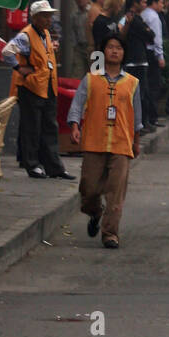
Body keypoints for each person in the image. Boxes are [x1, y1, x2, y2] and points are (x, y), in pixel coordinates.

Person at [67, 34, 142, 248]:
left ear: (124, 53)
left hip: (121, 143)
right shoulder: (91, 78)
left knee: (115, 193)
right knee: (88, 189)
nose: (115, 51)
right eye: (110, 47)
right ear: (103, 51)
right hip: (94, 141)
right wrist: (74, 126)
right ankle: (94, 212)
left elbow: (137, 116)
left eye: (119, 48)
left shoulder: (132, 83)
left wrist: (136, 142)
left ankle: (110, 233)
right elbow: (77, 104)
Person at [2, 0, 76, 180]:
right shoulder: (26, 35)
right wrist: (20, 69)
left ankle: (54, 167)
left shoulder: (46, 34)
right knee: (32, 127)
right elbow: (7, 51)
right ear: (35, 17)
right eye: (44, 15)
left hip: (47, 86)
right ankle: (32, 164)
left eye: (49, 15)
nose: (49, 19)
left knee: (50, 126)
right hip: (31, 86)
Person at [118, 0, 156, 128]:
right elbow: (150, 35)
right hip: (135, 60)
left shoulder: (137, 19)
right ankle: (139, 123)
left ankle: (140, 122)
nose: (145, 5)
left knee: (141, 93)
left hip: (137, 59)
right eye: (143, 2)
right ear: (135, 3)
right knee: (138, 94)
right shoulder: (132, 19)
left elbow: (151, 35)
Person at [141, 0, 166, 130]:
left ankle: (148, 116)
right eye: (161, 2)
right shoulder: (154, 17)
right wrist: (160, 57)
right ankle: (152, 116)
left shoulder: (143, 14)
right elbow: (157, 39)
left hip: (144, 52)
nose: (162, 5)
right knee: (154, 86)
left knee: (146, 86)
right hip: (152, 53)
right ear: (154, 3)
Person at [70, 0, 93, 78]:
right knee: (77, 73)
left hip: (92, 47)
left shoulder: (92, 12)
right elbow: (73, 32)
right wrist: (75, 46)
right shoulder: (74, 15)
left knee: (93, 74)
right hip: (79, 48)